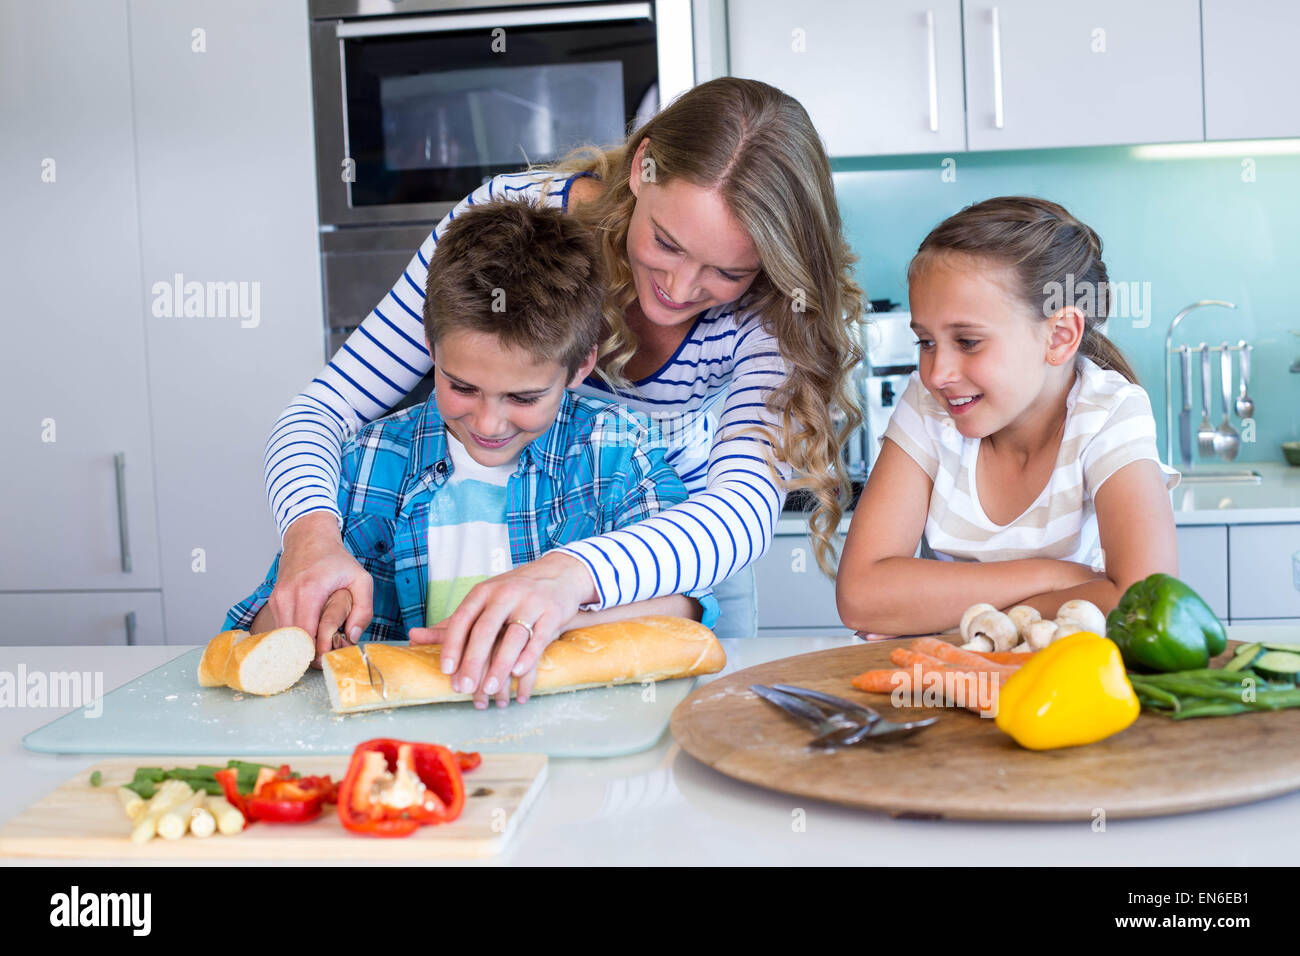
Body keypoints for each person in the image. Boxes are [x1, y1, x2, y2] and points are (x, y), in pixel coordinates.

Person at [260, 77, 864, 706]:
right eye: (665, 242)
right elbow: (324, 408)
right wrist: (310, 534)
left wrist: (570, 576)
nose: (681, 290)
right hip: (506, 551)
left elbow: (740, 510)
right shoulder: (520, 220)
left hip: (679, 566)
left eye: (728, 271)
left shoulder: (773, 312)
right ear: (641, 168)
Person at [224, 197, 715, 707]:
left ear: (580, 366)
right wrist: (311, 615)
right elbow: (255, 630)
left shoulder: (617, 452)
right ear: (430, 349)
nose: (487, 423)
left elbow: (684, 608)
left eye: (524, 398)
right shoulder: (369, 462)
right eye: (462, 387)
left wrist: (552, 619)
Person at [837, 197, 1179, 637]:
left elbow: (1141, 602)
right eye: (925, 342)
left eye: (968, 341)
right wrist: (1054, 575)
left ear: (1059, 336)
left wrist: (937, 609)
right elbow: (862, 597)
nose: (937, 374)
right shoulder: (927, 405)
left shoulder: (1108, 413)